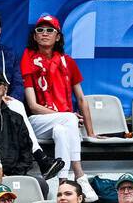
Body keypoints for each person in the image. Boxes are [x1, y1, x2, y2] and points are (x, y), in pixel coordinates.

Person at [21, 15, 96, 193]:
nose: (44, 33)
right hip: (38, 122)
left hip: (64, 123)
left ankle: (63, 183)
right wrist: (65, 116)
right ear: (34, 36)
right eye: (40, 30)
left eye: (50, 30)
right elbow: (32, 106)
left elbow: (82, 99)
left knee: (62, 131)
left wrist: (91, 132)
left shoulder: (67, 61)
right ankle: (80, 175)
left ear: (58, 36)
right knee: (69, 119)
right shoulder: (28, 59)